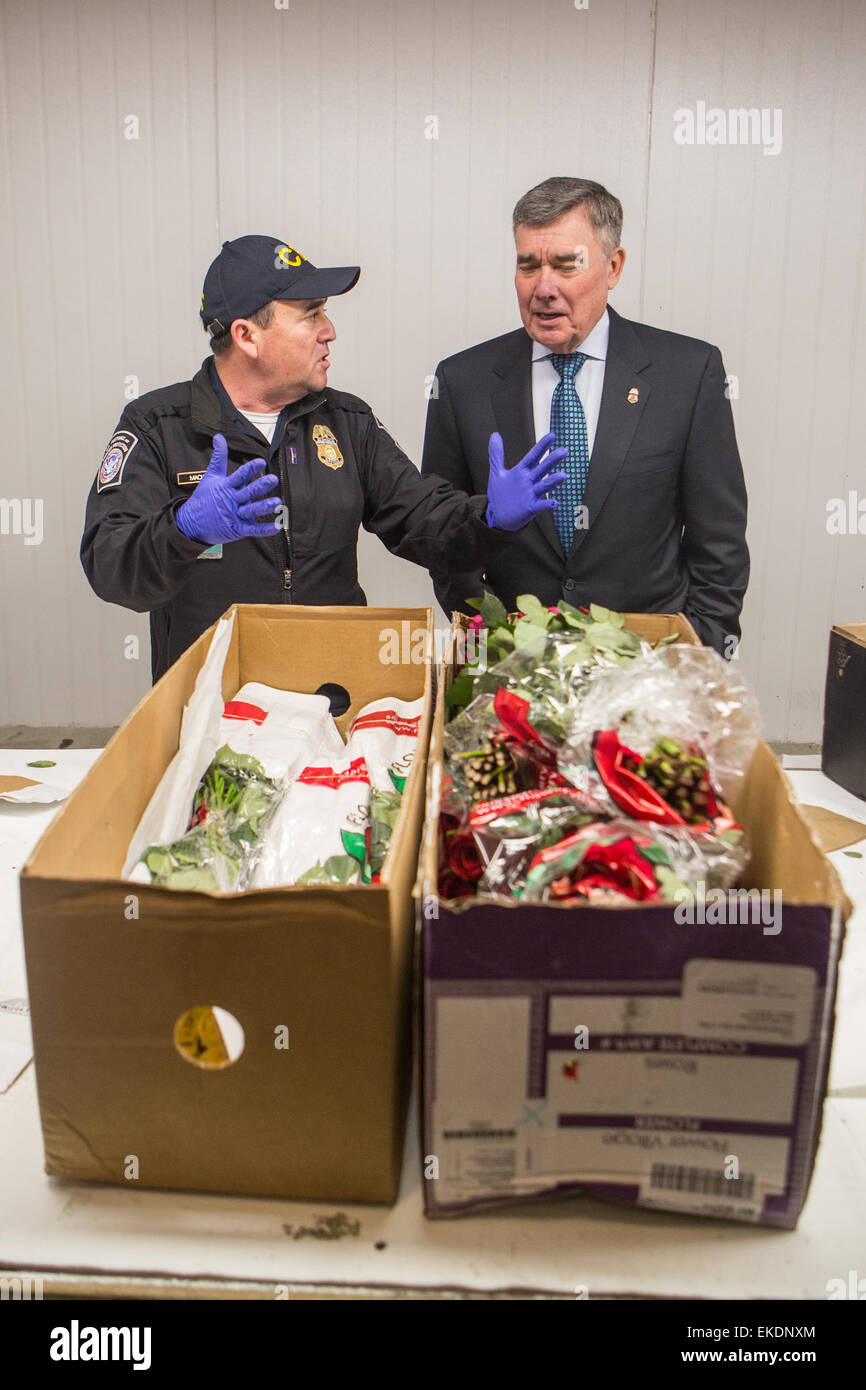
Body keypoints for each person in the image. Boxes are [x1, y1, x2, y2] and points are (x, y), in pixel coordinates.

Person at [81, 235, 566, 682]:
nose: (329, 330)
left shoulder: (346, 422)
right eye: (311, 314)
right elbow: (111, 570)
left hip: (331, 703)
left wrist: (490, 519)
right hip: (212, 706)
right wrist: (184, 530)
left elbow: (424, 524)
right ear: (248, 336)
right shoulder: (157, 425)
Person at [421, 177, 750, 657]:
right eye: (528, 265)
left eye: (565, 264)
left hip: (648, 663)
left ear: (613, 267)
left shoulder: (688, 373)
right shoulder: (461, 381)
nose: (543, 288)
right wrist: (488, 634)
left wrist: (697, 656)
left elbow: (718, 541)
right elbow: (443, 533)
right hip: (511, 666)